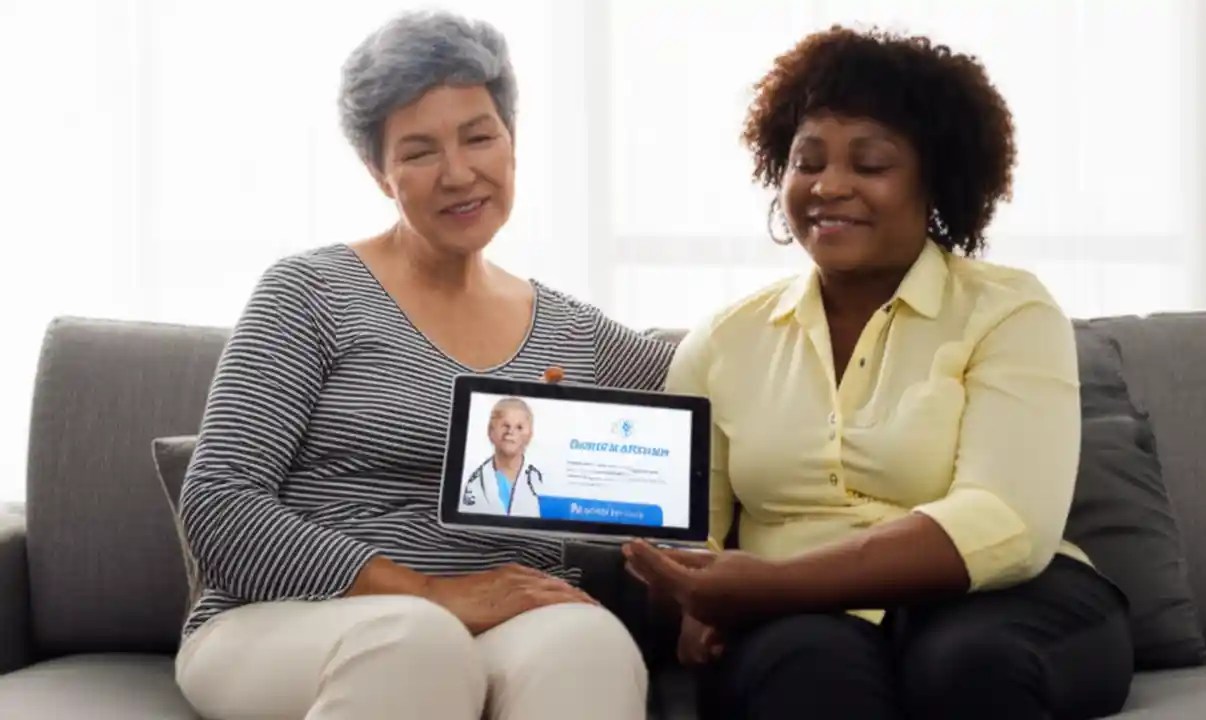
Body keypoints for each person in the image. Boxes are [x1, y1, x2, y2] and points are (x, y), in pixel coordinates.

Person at [623, 25, 1134, 720]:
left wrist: (773, 585)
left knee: (966, 667)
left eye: (869, 165)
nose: (830, 186)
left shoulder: (1008, 309)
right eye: (808, 162)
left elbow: (1004, 522)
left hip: (1003, 598)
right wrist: (681, 588)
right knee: (804, 678)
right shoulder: (725, 339)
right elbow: (686, 532)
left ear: (937, 180)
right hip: (800, 627)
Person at [174, 10, 673, 720]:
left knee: (589, 642)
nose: (459, 173)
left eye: (479, 136)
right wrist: (429, 591)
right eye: (418, 151)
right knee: (418, 640)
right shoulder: (310, 293)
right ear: (380, 173)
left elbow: (722, 381)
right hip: (288, 620)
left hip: (501, 623)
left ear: (512, 144)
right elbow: (219, 502)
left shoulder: (574, 332)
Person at [462, 397, 546, 516]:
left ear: (529, 435)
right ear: (490, 432)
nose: (510, 432)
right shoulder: (473, 485)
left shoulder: (539, 481)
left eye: (519, 427)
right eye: (505, 426)